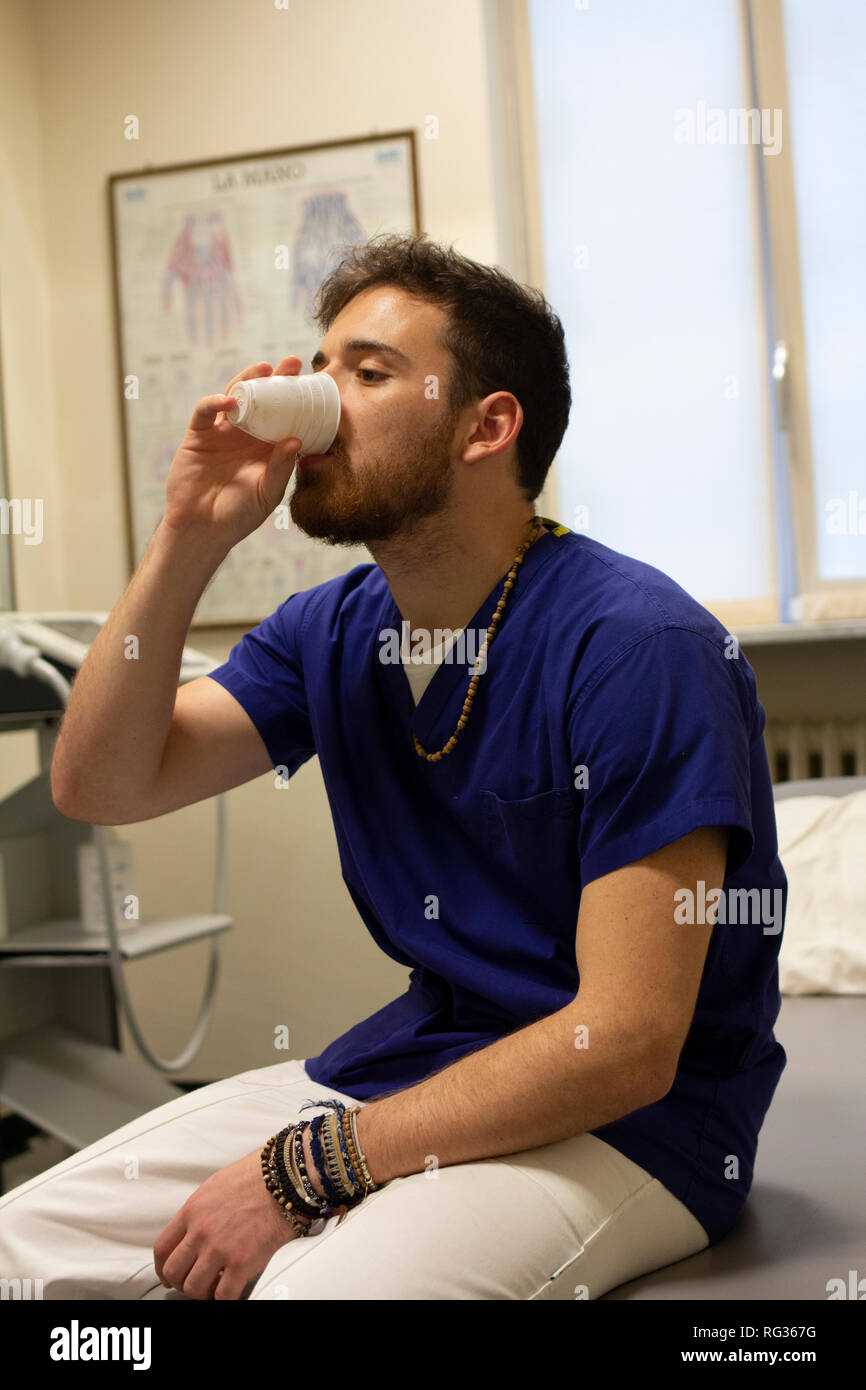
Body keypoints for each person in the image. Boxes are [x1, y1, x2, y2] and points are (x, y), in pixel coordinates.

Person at [0, 232, 787, 1301]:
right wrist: (187, 535)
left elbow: (627, 1043)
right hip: (414, 1068)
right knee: (20, 1244)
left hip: (633, 1128)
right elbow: (100, 784)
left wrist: (301, 1173)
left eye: (366, 373)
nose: (321, 399)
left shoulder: (639, 648)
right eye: (321, 369)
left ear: (485, 426)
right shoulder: (333, 629)